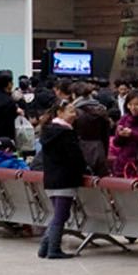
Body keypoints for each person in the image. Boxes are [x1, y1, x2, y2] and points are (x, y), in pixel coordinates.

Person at [38, 100, 86, 260]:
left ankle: (45, 247)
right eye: (71, 111)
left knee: (58, 214)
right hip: (65, 178)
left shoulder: (47, 132)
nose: (74, 115)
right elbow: (75, 156)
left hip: (51, 178)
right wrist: (83, 169)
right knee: (61, 215)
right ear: (60, 112)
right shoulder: (66, 133)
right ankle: (53, 249)